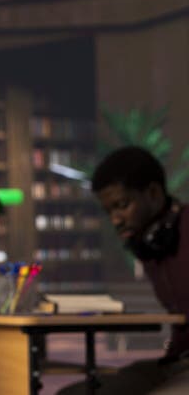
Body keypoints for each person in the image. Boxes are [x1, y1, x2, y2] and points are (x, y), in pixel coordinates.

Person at [58, 146, 189, 395]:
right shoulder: (150, 245)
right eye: (109, 211)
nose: (115, 219)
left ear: (153, 193)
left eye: (122, 205)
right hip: (177, 361)